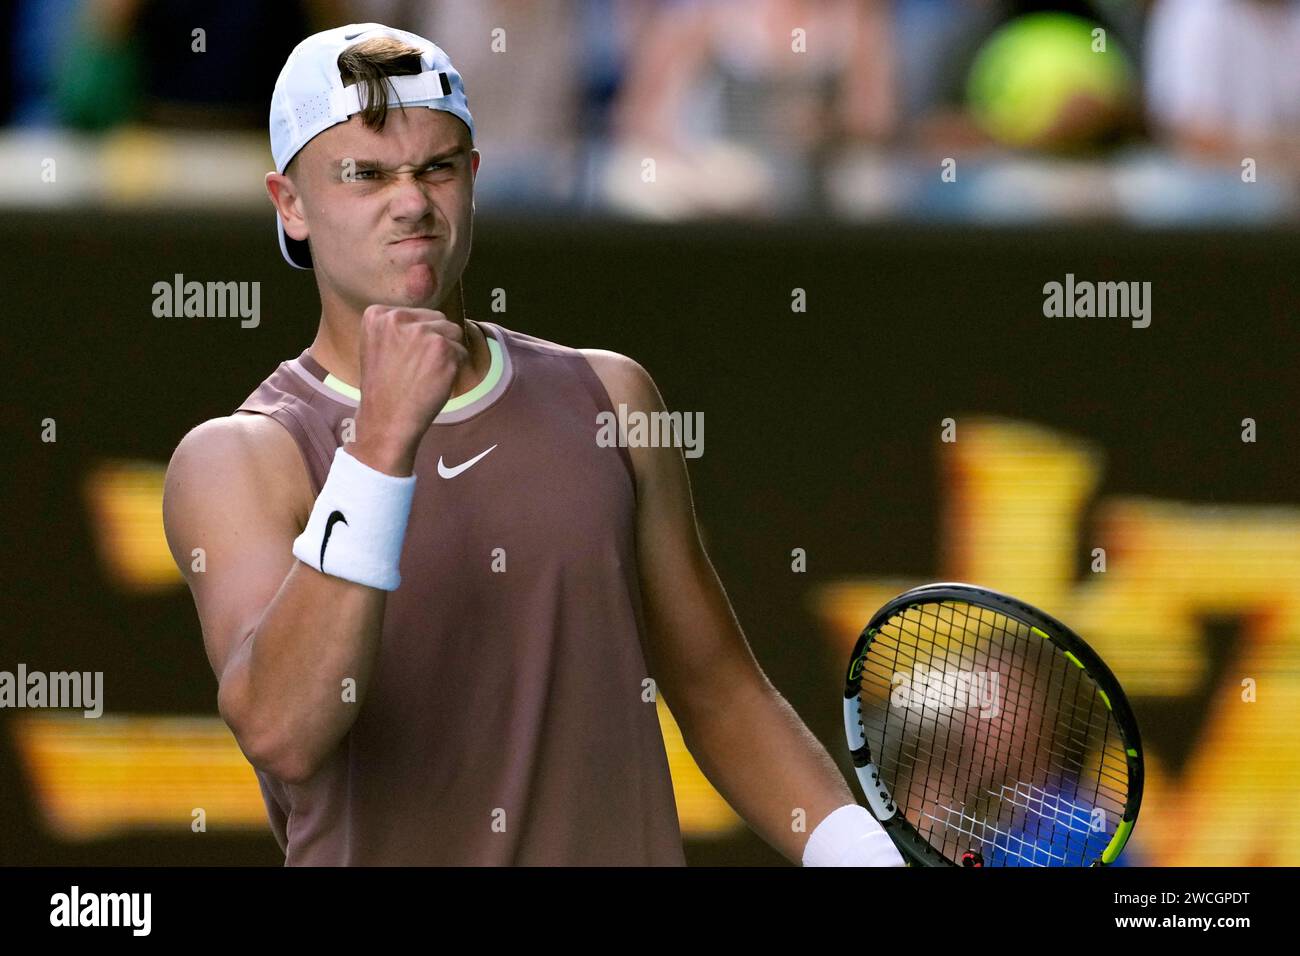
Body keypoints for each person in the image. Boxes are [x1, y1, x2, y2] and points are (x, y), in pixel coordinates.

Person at [161, 22, 904, 866]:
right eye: (365, 175)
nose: (410, 202)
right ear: (289, 203)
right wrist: (379, 449)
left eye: (436, 168)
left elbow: (717, 690)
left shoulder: (611, 397)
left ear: (472, 179)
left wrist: (862, 857)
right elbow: (284, 730)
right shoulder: (237, 457)